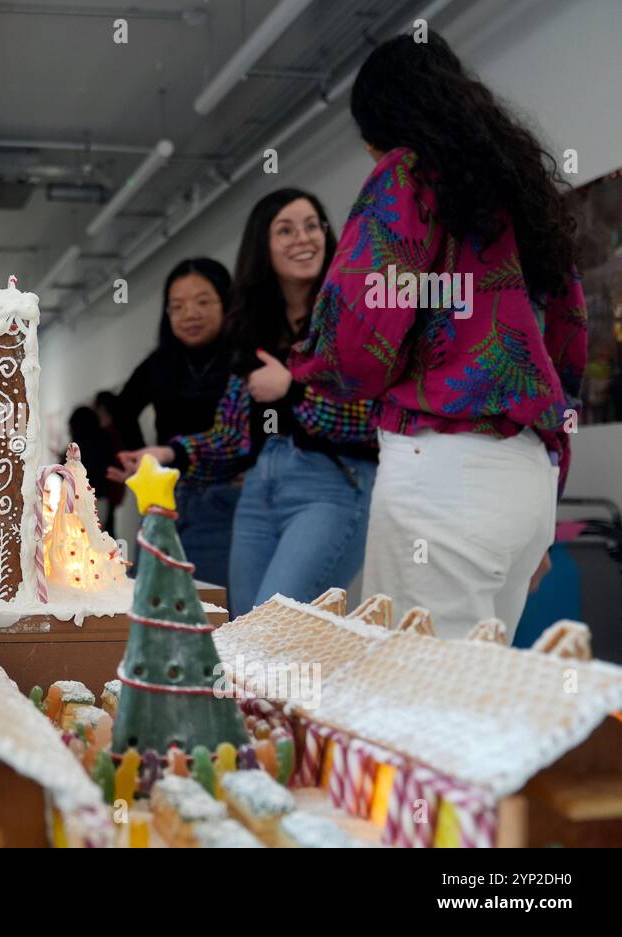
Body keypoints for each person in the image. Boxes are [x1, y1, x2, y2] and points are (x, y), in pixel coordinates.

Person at [289, 33, 586, 641]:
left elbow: (358, 336)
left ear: (381, 127)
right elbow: (568, 348)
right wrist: (544, 496)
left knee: (417, 701)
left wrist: (307, 366)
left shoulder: (409, 173)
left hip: (444, 474)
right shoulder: (525, 197)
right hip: (527, 478)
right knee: (474, 697)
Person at [113, 191, 378, 613]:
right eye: (285, 230)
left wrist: (291, 389)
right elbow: (233, 435)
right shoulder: (254, 329)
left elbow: (372, 418)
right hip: (259, 487)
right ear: (264, 245)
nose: (303, 238)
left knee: (275, 627)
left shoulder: (351, 313)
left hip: (330, 483)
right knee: (243, 630)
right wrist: (171, 452)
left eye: (312, 226)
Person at [105, 258, 238, 587]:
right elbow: (122, 408)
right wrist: (140, 459)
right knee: (151, 600)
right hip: (167, 491)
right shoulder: (160, 363)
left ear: (228, 302)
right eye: (176, 306)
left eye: (203, 301)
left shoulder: (242, 358)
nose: (190, 314)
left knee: (212, 605)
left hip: (225, 497)